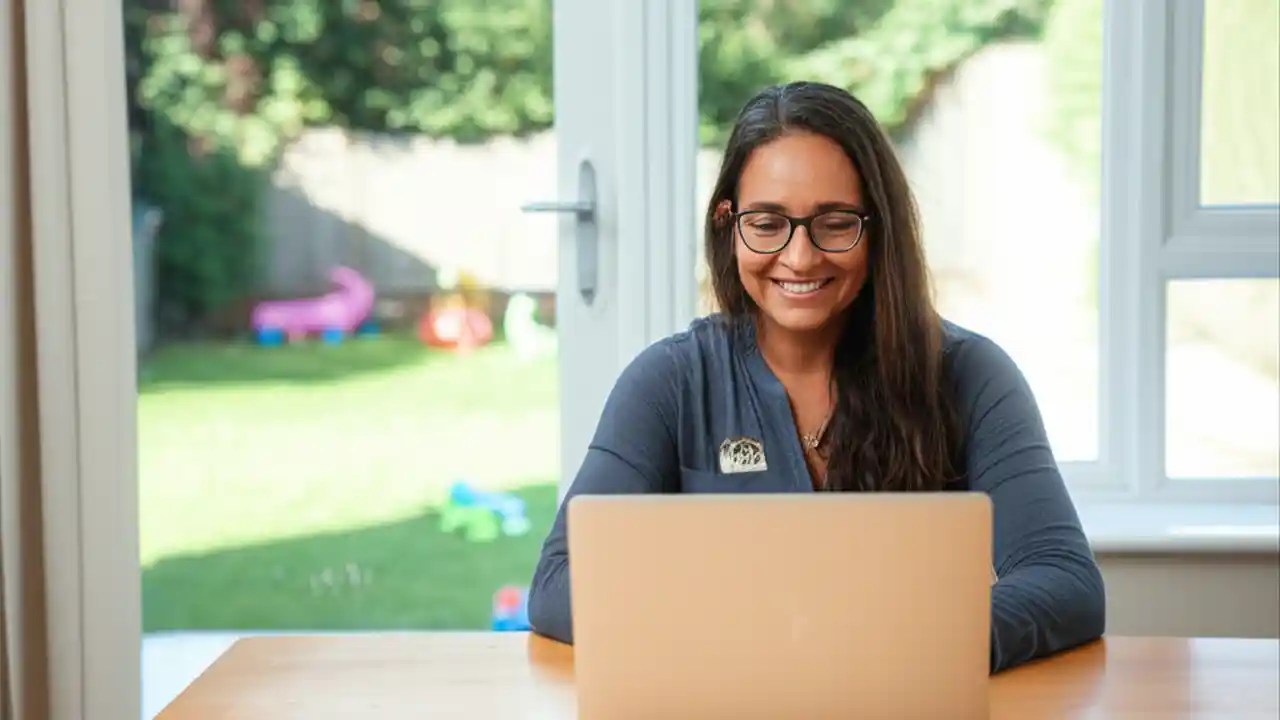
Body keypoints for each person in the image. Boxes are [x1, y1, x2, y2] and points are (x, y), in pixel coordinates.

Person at [528, 81, 1106, 673]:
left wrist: (904, 645)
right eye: (768, 222)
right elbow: (557, 584)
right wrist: (751, 639)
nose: (800, 257)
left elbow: (1063, 580)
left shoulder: (969, 374)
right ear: (730, 224)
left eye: (833, 223)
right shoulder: (669, 382)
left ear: (877, 228)